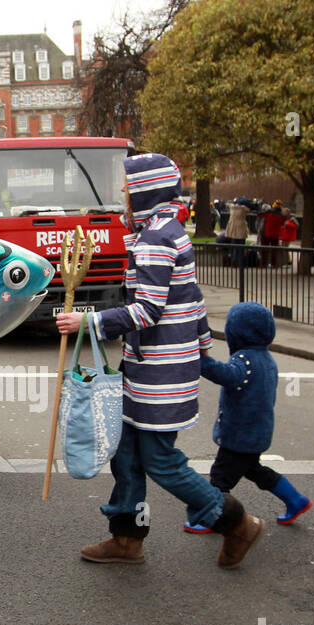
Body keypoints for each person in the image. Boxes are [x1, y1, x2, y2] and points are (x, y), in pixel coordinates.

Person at [56, 153, 264, 569]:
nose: (122, 194)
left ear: (145, 190)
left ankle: (235, 522)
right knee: (127, 453)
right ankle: (127, 537)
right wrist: (199, 349)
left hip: (158, 371)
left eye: (128, 187)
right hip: (159, 365)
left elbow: (147, 310)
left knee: (159, 461)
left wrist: (89, 321)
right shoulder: (167, 230)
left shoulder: (154, 239)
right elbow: (192, 299)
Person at [185, 302, 312, 531]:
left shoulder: (245, 359)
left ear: (236, 332)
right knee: (256, 471)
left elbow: (228, 375)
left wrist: (202, 361)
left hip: (239, 435)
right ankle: (295, 499)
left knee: (220, 479)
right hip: (257, 433)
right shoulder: (266, 359)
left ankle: (213, 516)